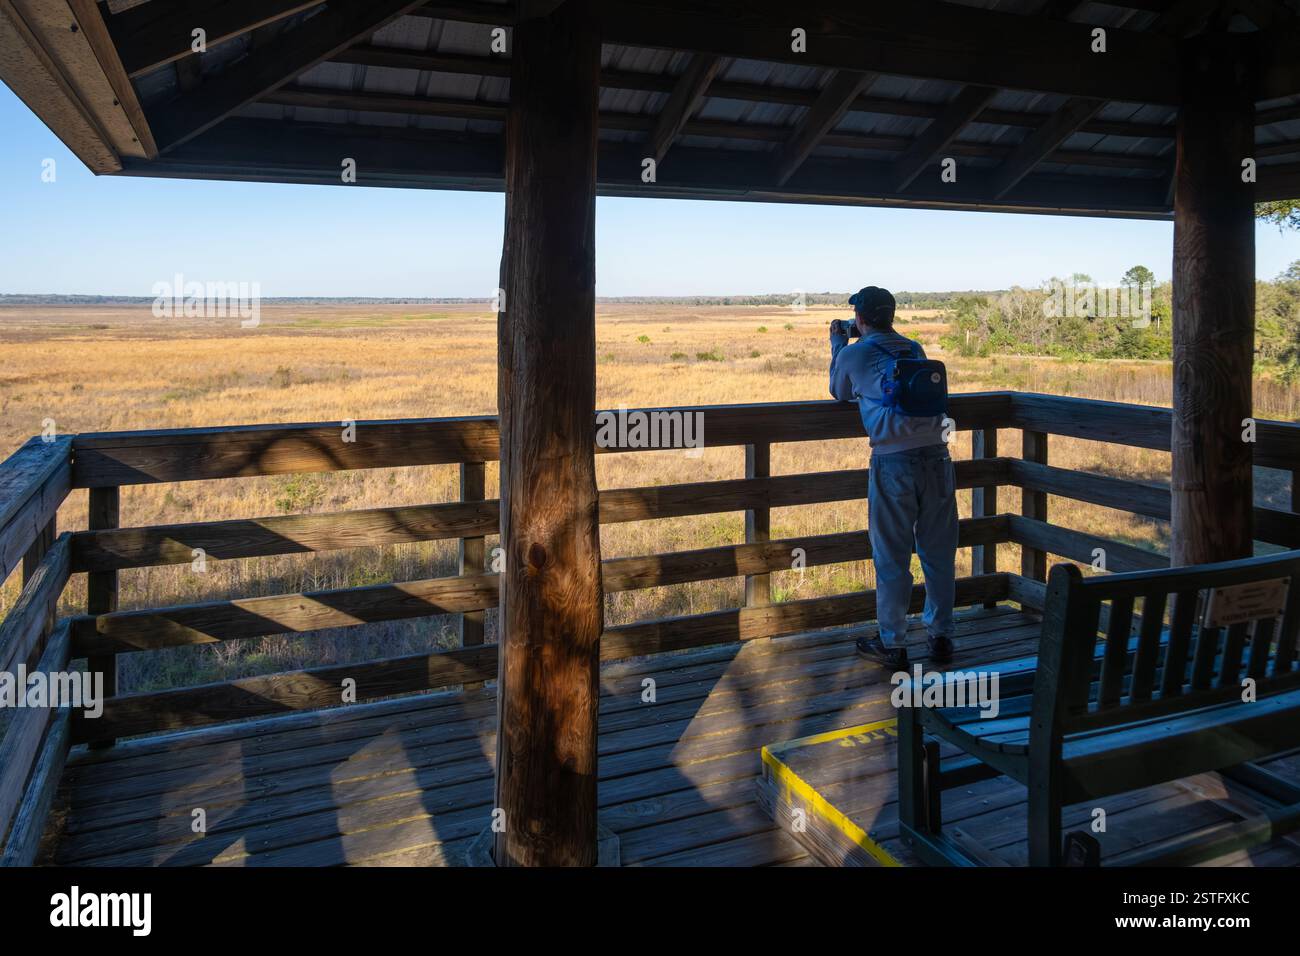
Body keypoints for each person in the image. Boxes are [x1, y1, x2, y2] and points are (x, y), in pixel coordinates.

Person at [828, 286, 958, 670]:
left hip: (892, 462)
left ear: (861, 319)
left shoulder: (854, 353)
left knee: (891, 556)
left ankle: (893, 644)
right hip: (937, 458)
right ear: (892, 315)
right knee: (938, 553)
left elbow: (839, 392)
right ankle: (941, 637)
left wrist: (838, 345)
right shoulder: (914, 348)